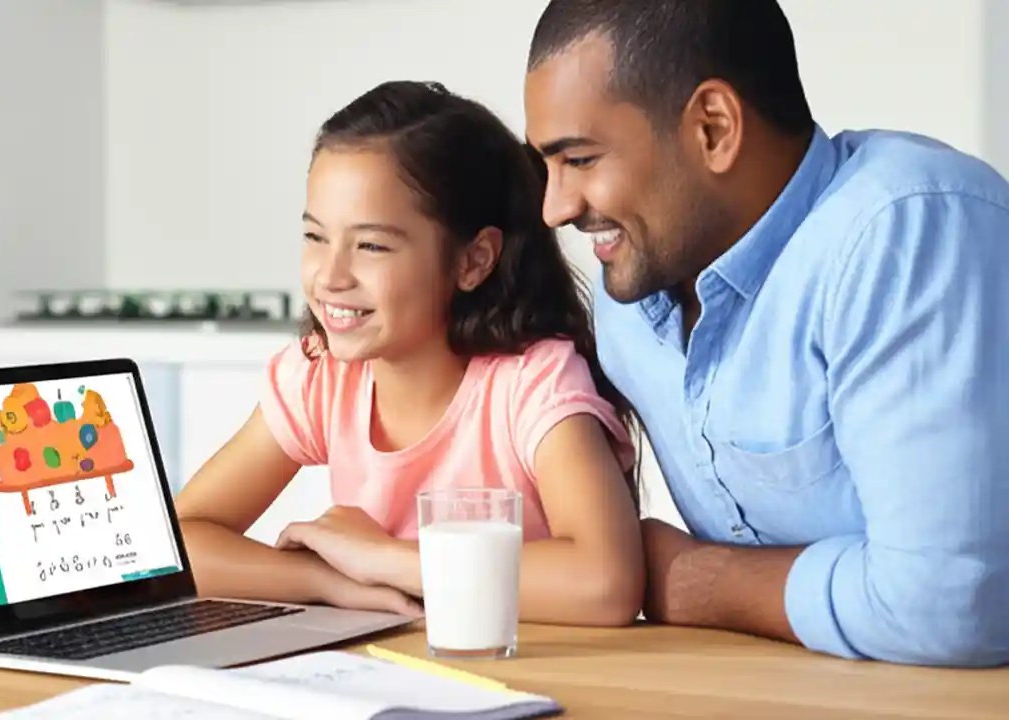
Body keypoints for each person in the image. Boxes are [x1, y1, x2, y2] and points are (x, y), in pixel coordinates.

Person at [523, 0, 1009, 666]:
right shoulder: (629, 299)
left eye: (578, 159)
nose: (555, 208)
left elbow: (953, 605)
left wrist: (698, 580)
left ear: (714, 128)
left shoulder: (902, 231)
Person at [175, 80, 645, 626]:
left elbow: (606, 583)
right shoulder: (322, 377)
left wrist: (386, 559)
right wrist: (329, 580)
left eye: (371, 245)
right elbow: (176, 547)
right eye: (315, 237)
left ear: (474, 260)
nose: (330, 276)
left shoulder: (533, 384)